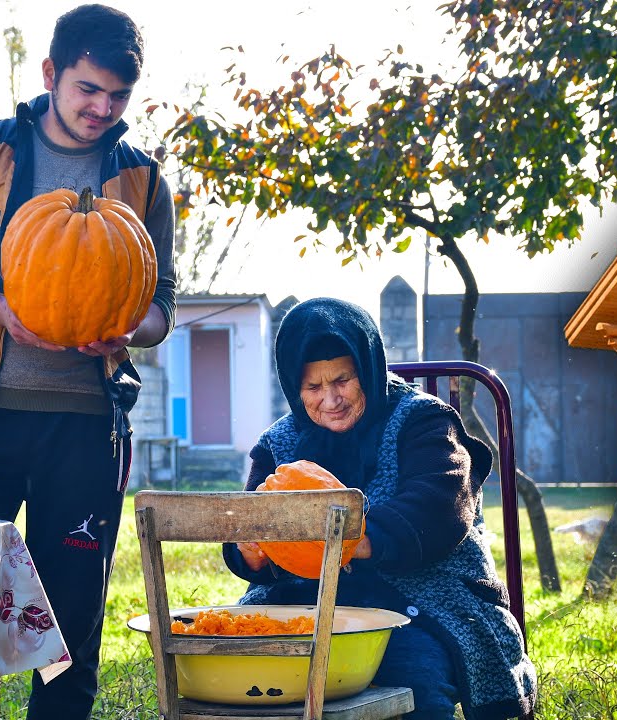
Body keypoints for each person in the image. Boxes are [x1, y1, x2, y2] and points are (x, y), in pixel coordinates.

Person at [0, 5, 176, 719]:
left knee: (69, 631)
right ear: (52, 74)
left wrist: (125, 330)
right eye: (89, 89)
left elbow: (160, 306)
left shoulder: (143, 182)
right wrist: (3, 313)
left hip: (84, 428)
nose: (102, 108)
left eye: (118, 96)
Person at [222, 297, 536, 720]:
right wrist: (249, 551)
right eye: (313, 387)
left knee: (413, 679)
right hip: (304, 606)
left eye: (343, 381)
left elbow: (438, 509)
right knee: (247, 679)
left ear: (367, 371)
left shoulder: (424, 422)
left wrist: (346, 541)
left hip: (418, 603)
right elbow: (245, 524)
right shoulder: (278, 443)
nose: (330, 399)